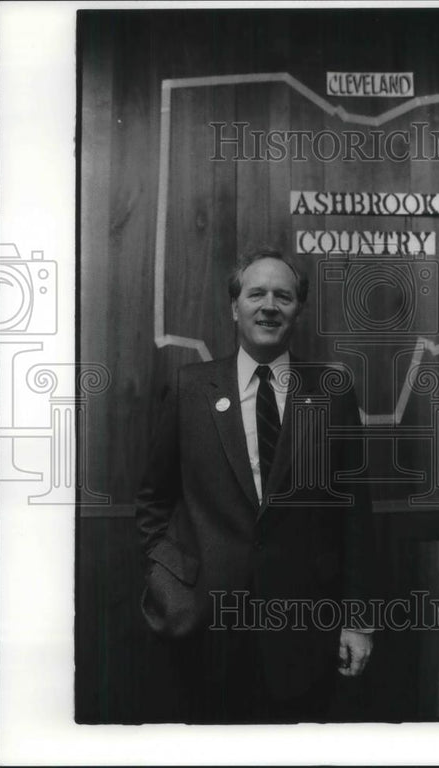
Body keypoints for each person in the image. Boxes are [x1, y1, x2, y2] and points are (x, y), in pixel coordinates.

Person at [135, 247, 375, 723]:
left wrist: (359, 619)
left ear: (298, 310)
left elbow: (356, 516)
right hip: (205, 626)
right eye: (256, 294)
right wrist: (168, 583)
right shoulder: (189, 389)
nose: (269, 306)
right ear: (234, 307)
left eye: (283, 296)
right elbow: (153, 500)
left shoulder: (333, 392)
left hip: (305, 630)